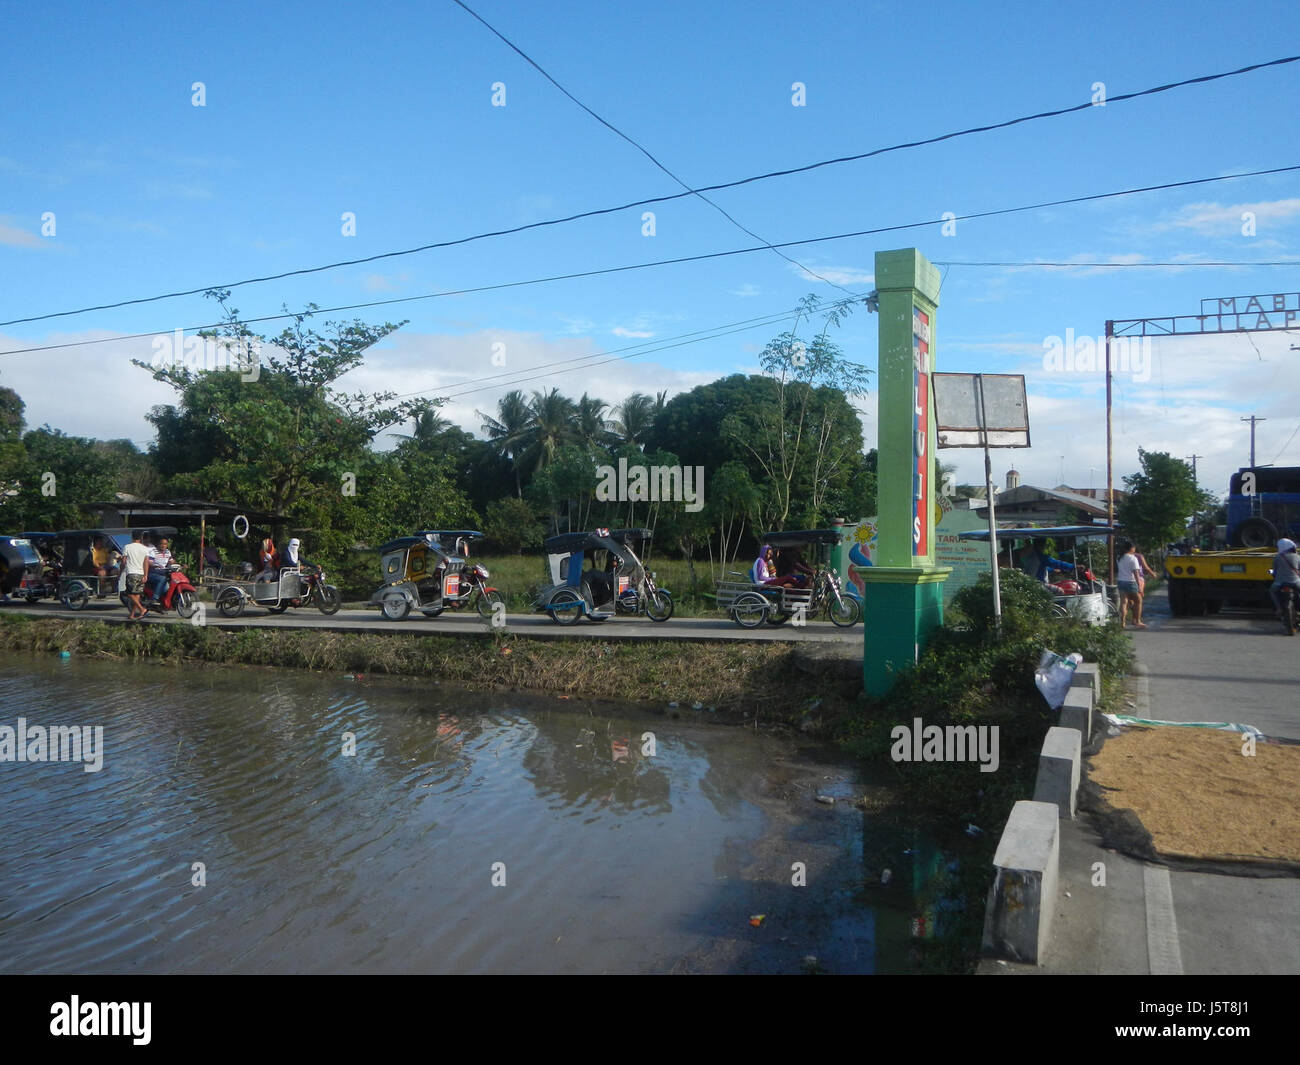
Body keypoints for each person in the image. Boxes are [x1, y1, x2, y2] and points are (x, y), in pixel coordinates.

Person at [120, 529, 152, 621]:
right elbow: (146, 563)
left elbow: (123, 562)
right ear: (141, 537)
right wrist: (146, 575)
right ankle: (132, 614)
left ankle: (142, 609)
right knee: (136, 595)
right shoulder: (145, 548)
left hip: (131, 573)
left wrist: (120, 571)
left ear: (132, 537)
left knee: (128, 593)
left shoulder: (127, 547)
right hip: (141, 574)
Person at [1115, 540, 1146, 629]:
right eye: (1134, 548)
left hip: (1121, 581)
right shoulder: (1133, 558)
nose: (1135, 549)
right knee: (1138, 601)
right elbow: (1136, 573)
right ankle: (1138, 621)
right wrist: (1139, 586)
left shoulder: (1119, 557)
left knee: (1124, 602)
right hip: (1131, 582)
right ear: (1131, 548)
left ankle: (1123, 621)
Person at [1269, 538, 1300, 619]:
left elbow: (1274, 571)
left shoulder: (1277, 557)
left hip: (1280, 582)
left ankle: (1279, 608)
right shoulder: (1297, 557)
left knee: (1272, 591)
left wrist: (1274, 575)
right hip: (1296, 582)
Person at [146, 535, 173, 603]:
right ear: (158, 544)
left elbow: (171, 560)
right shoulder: (153, 551)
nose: (163, 545)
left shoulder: (168, 552)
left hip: (164, 572)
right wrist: (156, 565)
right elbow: (150, 562)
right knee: (163, 579)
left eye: (165, 544)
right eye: (161, 544)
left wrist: (178, 564)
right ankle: (155, 598)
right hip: (153, 573)